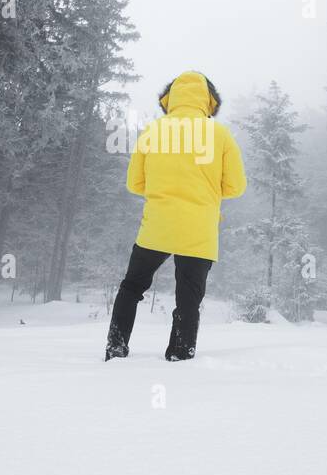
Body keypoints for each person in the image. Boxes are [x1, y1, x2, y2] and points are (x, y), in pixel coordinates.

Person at [105, 71, 247, 361]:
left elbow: (135, 183)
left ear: (170, 98)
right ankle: (180, 354)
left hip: (157, 226)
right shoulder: (219, 134)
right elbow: (235, 187)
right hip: (199, 231)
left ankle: (116, 347)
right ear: (209, 100)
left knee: (132, 287)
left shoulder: (153, 131)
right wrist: (206, 190)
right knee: (188, 299)